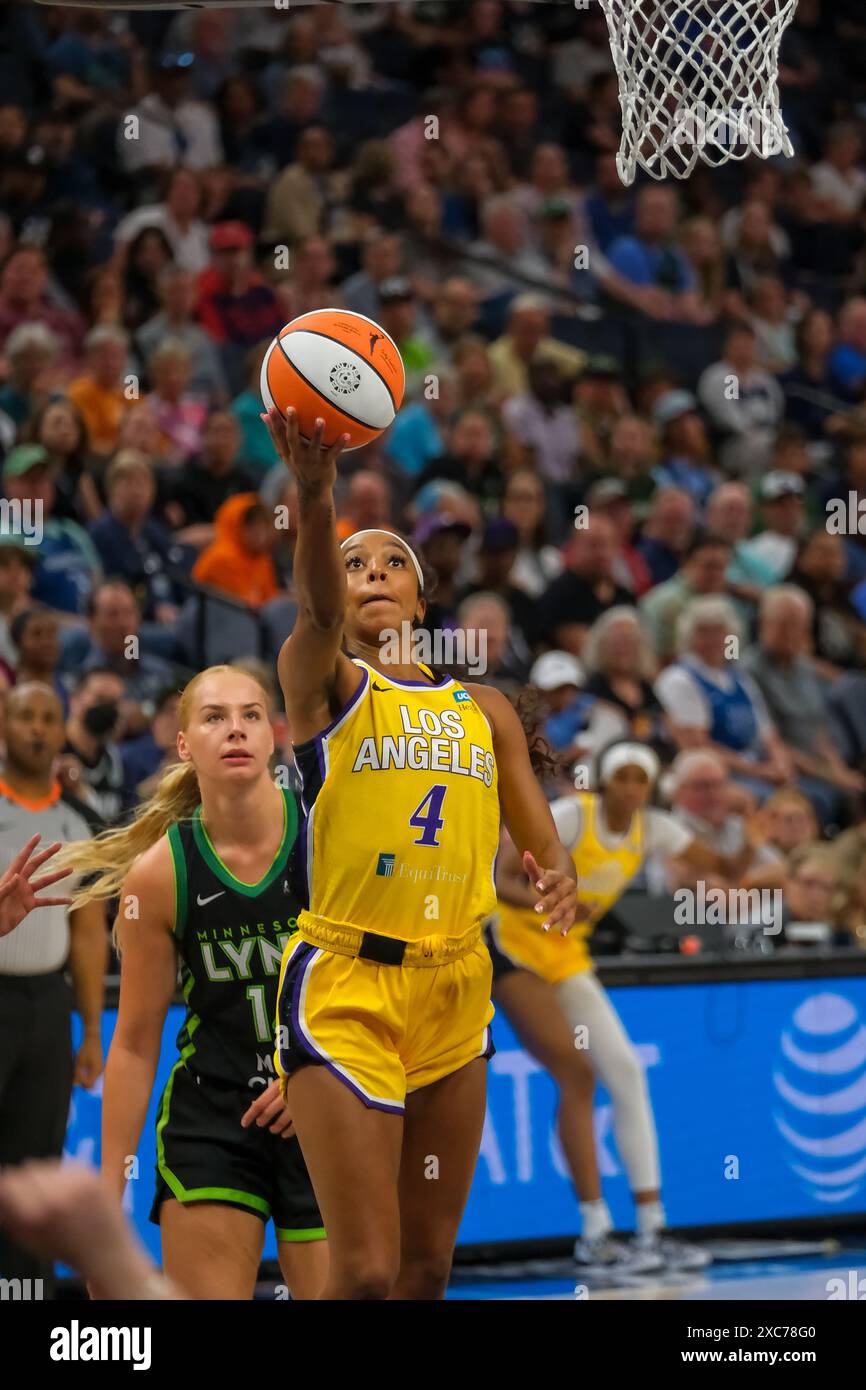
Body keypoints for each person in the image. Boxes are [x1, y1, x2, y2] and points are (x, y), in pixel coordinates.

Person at [260, 404, 577, 1300]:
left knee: (424, 1271)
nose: (369, 573)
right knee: (360, 1274)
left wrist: (558, 871)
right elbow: (317, 603)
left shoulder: (483, 708)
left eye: (390, 560)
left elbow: (537, 831)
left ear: (421, 595)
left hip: (455, 986)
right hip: (349, 980)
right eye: (355, 561)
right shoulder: (323, 681)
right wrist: (316, 494)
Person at [55, 665, 327, 1300]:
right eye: (214, 717)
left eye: (250, 714)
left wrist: (313, 1073)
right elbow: (134, 1042)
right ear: (183, 745)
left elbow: (381, 982)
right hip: (215, 1115)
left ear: (275, 734)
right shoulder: (158, 875)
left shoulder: (326, 835)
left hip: (323, 1105)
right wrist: (107, 1197)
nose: (235, 729)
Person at [490, 742, 752, 1277]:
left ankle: (651, 1228)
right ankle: (594, 1233)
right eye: (623, 777)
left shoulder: (653, 829)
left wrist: (750, 832)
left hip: (567, 959)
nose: (632, 787)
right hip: (512, 951)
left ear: (652, 787)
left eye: (641, 778)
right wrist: (555, 902)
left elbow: (727, 866)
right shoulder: (570, 815)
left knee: (627, 1074)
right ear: (605, 782)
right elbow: (500, 881)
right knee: (577, 1073)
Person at [0, 685, 106, 1289]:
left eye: (48, 718)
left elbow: (89, 934)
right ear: (4, 724)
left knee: (35, 1168)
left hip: (46, 1007)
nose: (37, 729)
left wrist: (90, 1030)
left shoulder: (76, 819)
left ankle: (25, 1290)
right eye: (24, 716)